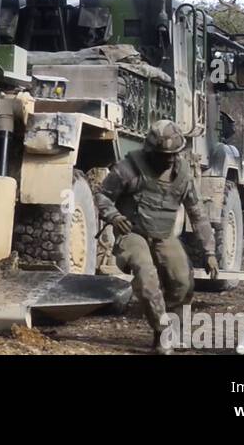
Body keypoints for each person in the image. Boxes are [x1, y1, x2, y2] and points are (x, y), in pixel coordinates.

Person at [96, 120, 219, 354]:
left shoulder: (183, 175)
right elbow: (103, 196)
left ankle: (170, 328)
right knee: (146, 276)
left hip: (163, 234)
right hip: (132, 232)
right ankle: (163, 333)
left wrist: (209, 251)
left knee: (182, 279)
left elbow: (198, 214)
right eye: (164, 155)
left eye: (174, 154)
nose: (169, 159)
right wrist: (113, 215)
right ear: (150, 151)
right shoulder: (129, 168)